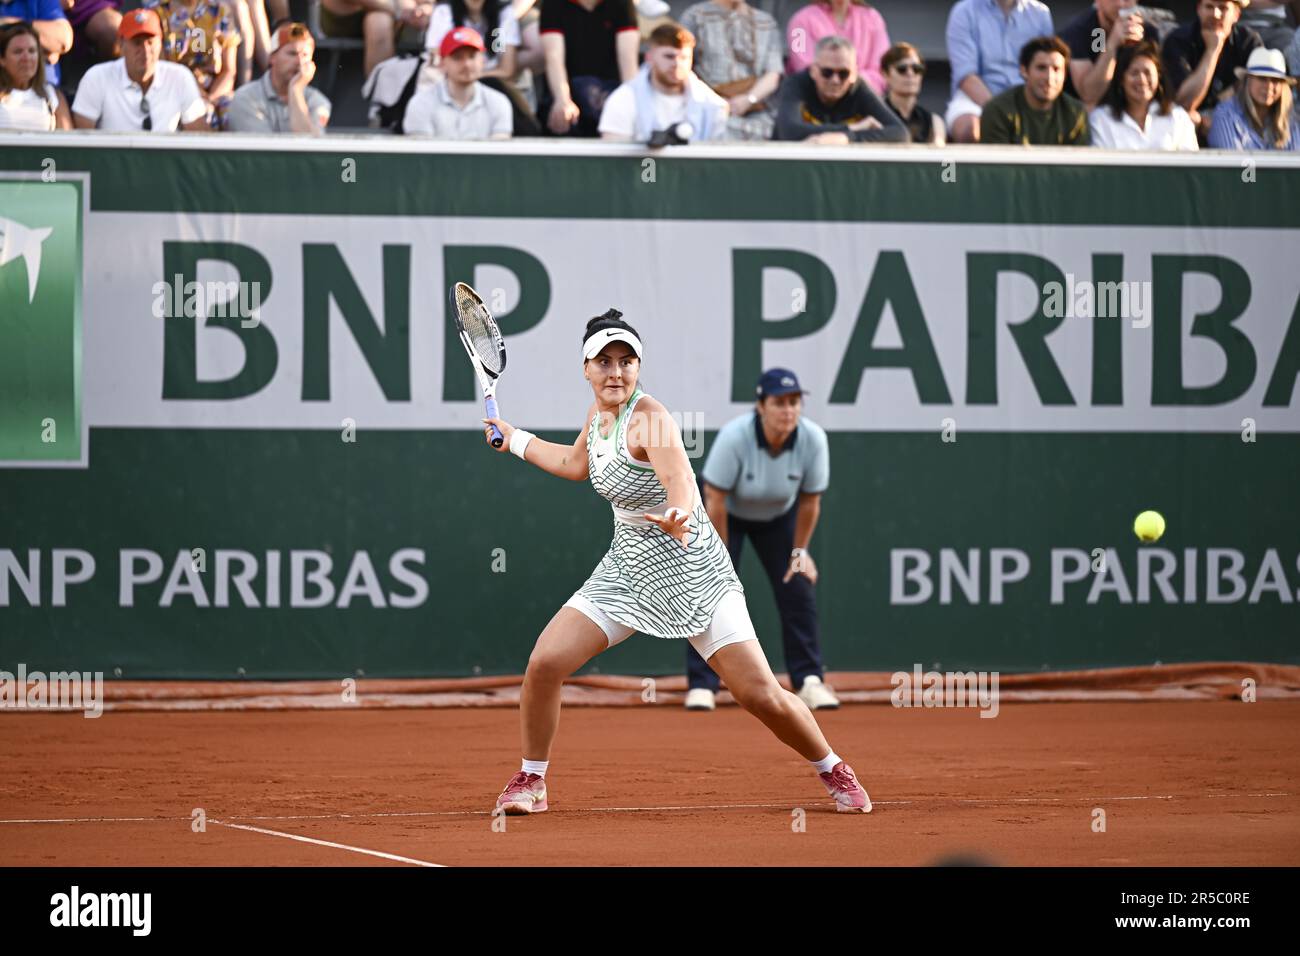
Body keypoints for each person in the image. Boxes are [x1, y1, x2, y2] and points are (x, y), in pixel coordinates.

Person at [483, 310, 873, 815]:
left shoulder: (649, 417)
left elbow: (682, 484)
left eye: (626, 361)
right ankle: (531, 781)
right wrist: (513, 438)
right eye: (604, 362)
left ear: (639, 366)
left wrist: (678, 515)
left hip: (694, 570)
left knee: (760, 695)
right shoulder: (599, 416)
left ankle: (832, 767)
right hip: (626, 571)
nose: (616, 372)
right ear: (585, 368)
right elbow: (575, 464)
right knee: (545, 663)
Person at [685, 369, 837, 713]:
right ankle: (702, 684)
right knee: (707, 588)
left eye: (794, 402)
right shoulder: (734, 437)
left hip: (778, 517)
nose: (788, 410)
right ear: (761, 407)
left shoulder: (813, 439)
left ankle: (809, 680)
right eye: (779, 403)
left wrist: (800, 551)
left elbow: (811, 501)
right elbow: (715, 498)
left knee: (797, 585)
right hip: (726, 513)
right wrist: (715, 556)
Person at [71, 7, 209, 131]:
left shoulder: (180, 77)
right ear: (121, 45)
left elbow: (201, 139)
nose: (145, 50)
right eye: (137, 43)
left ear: (161, 43)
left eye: (150, 42)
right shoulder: (96, 77)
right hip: (112, 158)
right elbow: (81, 143)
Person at [944, 0, 1053, 143]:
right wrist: (1003, 113)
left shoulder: (1041, 13)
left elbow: (1046, 65)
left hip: (1026, 99)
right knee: (969, 131)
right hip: (976, 100)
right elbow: (966, 77)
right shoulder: (964, 11)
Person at [598, 21, 727, 142]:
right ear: (649, 57)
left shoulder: (713, 105)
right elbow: (613, 159)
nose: (676, 64)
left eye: (684, 57)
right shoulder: (624, 99)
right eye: (669, 56)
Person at [425, 0, 538, 133]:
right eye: (460, 57)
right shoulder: (445, 12)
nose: (467, 62)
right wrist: (464, 75)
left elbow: (506, 69)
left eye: (471, 56)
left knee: (494, 86)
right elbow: (438, 60)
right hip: (450, 83)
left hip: (492, 81)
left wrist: (472, 75)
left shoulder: (502, 15)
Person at [771, 34, 906, 143]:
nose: (835, 80)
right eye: (827, 72)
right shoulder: (795, 84)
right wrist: (850, 128)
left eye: (843, 74)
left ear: (854, 74)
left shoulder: (859, 88)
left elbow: (900, 132)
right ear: (813, 71)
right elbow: (788, 131)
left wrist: (847, 137)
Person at [679, 0, 782, 141]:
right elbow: (682, 66)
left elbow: (773, 73)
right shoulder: (695, 16)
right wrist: (715, 101)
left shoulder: (765, 21)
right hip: (710, 110)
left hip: (759, 113)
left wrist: (749, 99)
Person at [1163, 0, 1263, 137]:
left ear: (1236, 15)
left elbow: (1261, 96)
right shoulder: (1178, 40)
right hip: (1187, 123)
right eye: (1209, 7)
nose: (1215, 14)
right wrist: (1212, 50)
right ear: (1199, 9)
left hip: (1235, 122)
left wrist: (1219, 119)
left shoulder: (1249, 42)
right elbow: (1184, 103)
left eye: (1223, 8)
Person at [538, 0, 638, 136]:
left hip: (610, 93)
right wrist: (563, 100)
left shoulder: (622, 4)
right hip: (570, 92)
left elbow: (628, 61)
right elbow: (554, 57)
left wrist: (632, 103)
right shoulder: (553, 4)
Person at [142, 0, 240, 127]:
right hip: (176, 88)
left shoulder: (220, 10)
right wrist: (197, 99)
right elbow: (162, 69)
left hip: (215, 88)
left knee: (235, 111)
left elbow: (229, 71)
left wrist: (210, 98)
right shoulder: (157, 13)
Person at [980, 34, 1091, 145]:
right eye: (1041, 68)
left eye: (1056, 69)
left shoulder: (1076, 112)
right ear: (1024, 71)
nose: (1049, 77)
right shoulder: (998, 110)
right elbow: (998, 161)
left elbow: (1079, 161)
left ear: (1065, 74)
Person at [404, 24, 511, 138]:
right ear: (442, 63)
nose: (467, 64)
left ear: (482, 61)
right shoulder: (421, 103)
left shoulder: (499, 102)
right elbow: (420, 153)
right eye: (457, 57)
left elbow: (499, 151)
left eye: (472, 56)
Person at [225, 20, 331, 133]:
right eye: (292, 54)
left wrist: (296, 90)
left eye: (305, 55)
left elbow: (311, 146)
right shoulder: (245, 98)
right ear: (272, 57)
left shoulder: (318, 101)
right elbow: (263, 148)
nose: (299, 62)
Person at [1090, 39, 1198, 149]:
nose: (1142, 80)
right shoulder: (1101, 119)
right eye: (1134, 73)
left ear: (1158, 76)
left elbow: (1191, 164)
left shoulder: (1177, 117)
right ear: (1121, 79)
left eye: (1147, 73)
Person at [1059, 0, 1159, 107]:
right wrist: (1112, 44)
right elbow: (1089, 95)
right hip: (1085, 111)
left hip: (1126, 110)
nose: (1120, 4)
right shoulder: (1083, 31)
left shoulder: (1147, 32)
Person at [784, 0, 890, 95]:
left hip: (864, 97)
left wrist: (851, 82)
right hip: (813, 102)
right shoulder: (799, 21)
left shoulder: (873, 18)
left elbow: (884, 69)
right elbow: (802, 67)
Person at [1207, 46, 1299, 148]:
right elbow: (1234, 163)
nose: (1269, 86)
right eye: (1262, 78)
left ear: (1283, 86)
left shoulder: (1291, 120)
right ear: (1247, 80)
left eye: (1275, 80)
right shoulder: (1225, 115)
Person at [320, 0, 431, 78]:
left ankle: (385, 102)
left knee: (378, 20)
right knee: (379, 23)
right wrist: (400, 11)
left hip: (394, 18)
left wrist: (426, 10)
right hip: (344, 16)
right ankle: (381, 101)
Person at [0, 20, 71, 129]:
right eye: (18, 51)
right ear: (2, 59)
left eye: (32, 51)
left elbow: (68, 142)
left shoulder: (53, 96)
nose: (26, 58)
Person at [881, 41, 943, 143]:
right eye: (902, 69)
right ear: (885, 74)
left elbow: (938, 157)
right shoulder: (873, 116)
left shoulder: (934, 122)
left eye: (917, 69)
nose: (910, 74)